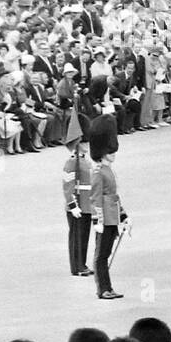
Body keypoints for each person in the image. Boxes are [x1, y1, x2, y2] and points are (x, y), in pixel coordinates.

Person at [88, 115, 127, 301]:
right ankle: (102, 288)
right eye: (110, 151)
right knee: (101, 256)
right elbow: (95, 198)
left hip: (113, 217)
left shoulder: (109, 170)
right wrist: (97, 221)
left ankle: (108, 287)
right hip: (104, 219)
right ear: (102, 151)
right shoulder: (97, 173)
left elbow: (114, 196)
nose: (113, 153)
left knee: (107, 253)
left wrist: (124, 216)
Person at [62, 113, 95, 277]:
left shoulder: (85, 161)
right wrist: (72, 205)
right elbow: (67, 186)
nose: (87, 145)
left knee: (84, 236)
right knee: (76, 237)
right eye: (83, 142)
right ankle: (77, 266)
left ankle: (82, 263)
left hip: (87, 204)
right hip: (77, 205)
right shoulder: (71, 162)